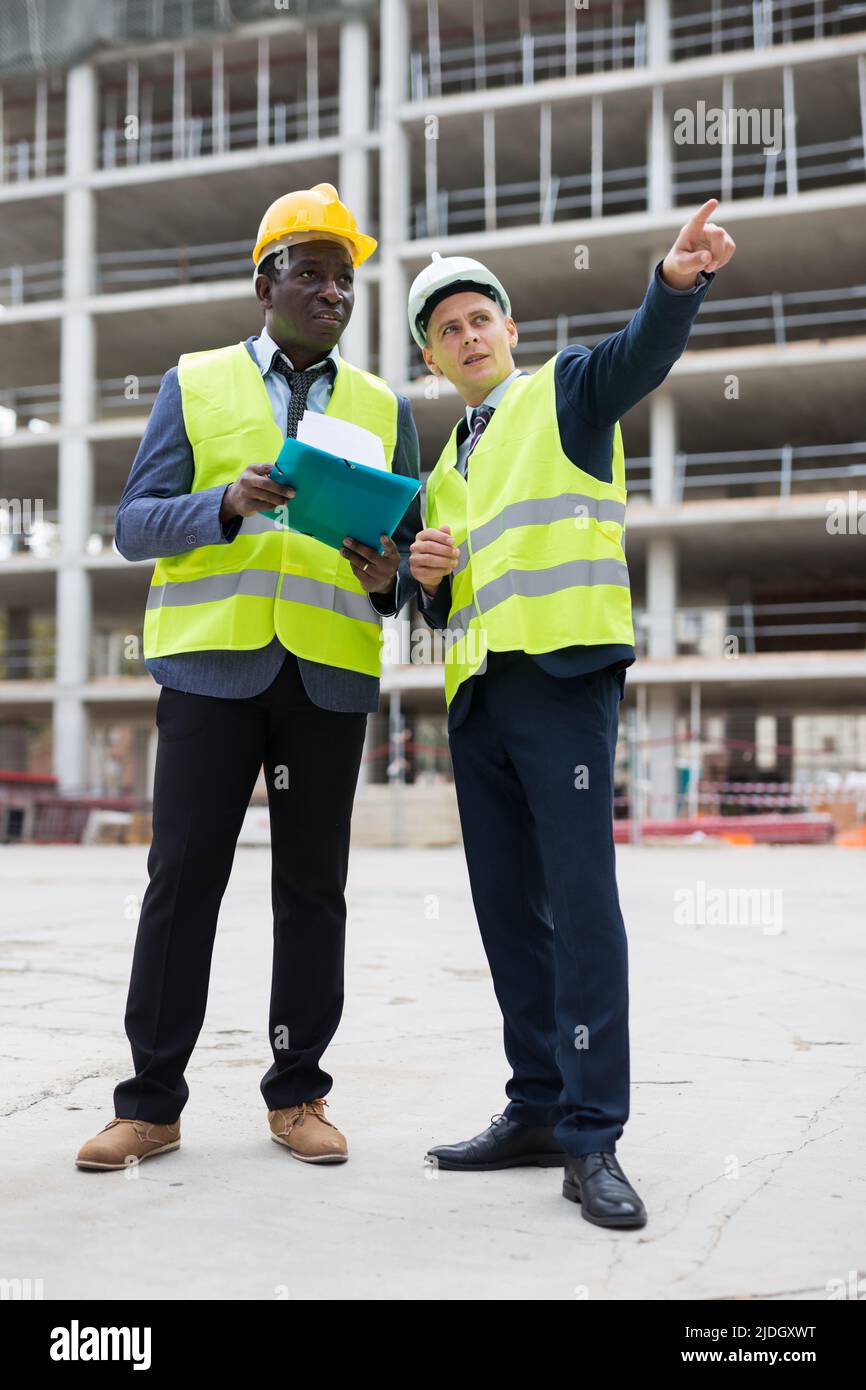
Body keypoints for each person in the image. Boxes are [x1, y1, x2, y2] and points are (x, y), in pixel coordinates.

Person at [75, 183, 421, 1172]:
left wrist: (384, 572)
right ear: (263, 283)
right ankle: (149, 1105)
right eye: (309, 274)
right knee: (182, 881)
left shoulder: (381, 407)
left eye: (343, 279)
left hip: (325, 680)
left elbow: (398, 560)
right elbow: (134, 525)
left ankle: (298, 1091)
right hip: (211, 672)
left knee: (312, 890)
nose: (331, 293)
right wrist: (220, 504)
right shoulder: (194, 383)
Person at [409, 199, 735, 1228]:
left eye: (479, 319)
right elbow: (445, 592)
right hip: (475, 697)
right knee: (508, 914)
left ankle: (592, 1135)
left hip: (561, 686)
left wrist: (674, 283)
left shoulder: (566, 391)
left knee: (580, 908)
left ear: (508, 328)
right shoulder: (440, 466)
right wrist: (423, 577)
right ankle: (537, 1106)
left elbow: (640, 353)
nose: (466, 336)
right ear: (431, 356)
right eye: (445, 328)